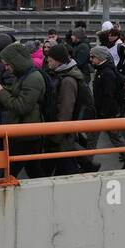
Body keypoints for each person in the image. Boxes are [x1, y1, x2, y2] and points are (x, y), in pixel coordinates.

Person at [0, 41, 47, 180]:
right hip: (26, 131)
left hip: (26, 134)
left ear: (17, 62)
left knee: (10, 172)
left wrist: (1, 93)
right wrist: (2, 90)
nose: (7, 68)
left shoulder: (33, 78)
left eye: (8, 65)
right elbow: (16, 94)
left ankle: (3, 195)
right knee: (33, 170)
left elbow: (22, 106)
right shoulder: (24, 75)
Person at [44, 43, 96, 174]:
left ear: (58, 60)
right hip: (64, 132)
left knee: (63, 164)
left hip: (63, 132)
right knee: (62, 163)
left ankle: (88, 166)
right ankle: (88, 165)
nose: (47, 61)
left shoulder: (67, 80)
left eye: (50, 59)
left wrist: (57, 134)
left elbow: (66, 110)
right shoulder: (63, 74)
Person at [89, 44, 125, 168]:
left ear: (99, 57)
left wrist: (103, 113)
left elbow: (108, 95)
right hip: (105, 111)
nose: (91, 59)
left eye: (93, 57)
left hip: (105, 112)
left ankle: (87, 161)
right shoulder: (104, 70)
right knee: (112, 136)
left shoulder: (106, 73)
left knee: (97, 137)